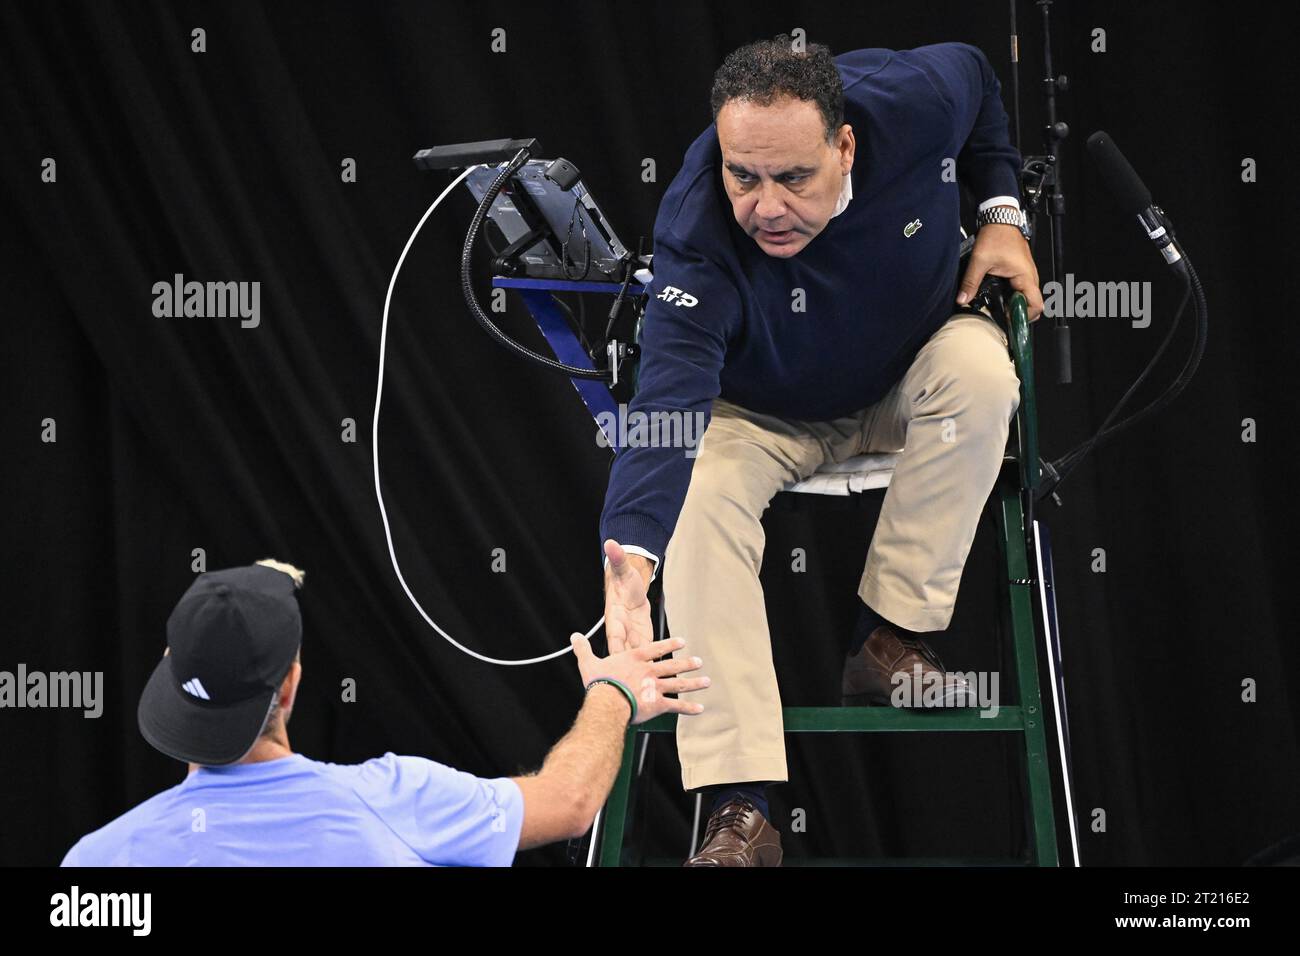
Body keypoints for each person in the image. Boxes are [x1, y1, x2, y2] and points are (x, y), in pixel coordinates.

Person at [598, 36, 1044, 865]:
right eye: (743, 176)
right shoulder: (697, 231)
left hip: (906, 371)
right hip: (759, 413)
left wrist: (1001, 215)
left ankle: (888, 640)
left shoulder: (912, 101)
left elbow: (981, 79)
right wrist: (630, 557)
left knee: (985, 375)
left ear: (845, 147)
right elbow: (666, 409)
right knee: (697, 494)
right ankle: (742, 811)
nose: (766, 205)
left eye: (794, 178)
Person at [60, 555, 708, 866]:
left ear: (171, 673)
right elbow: (570, 802)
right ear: (289, 686)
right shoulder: (399, 798)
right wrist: (614, 691)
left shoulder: (96, 861)